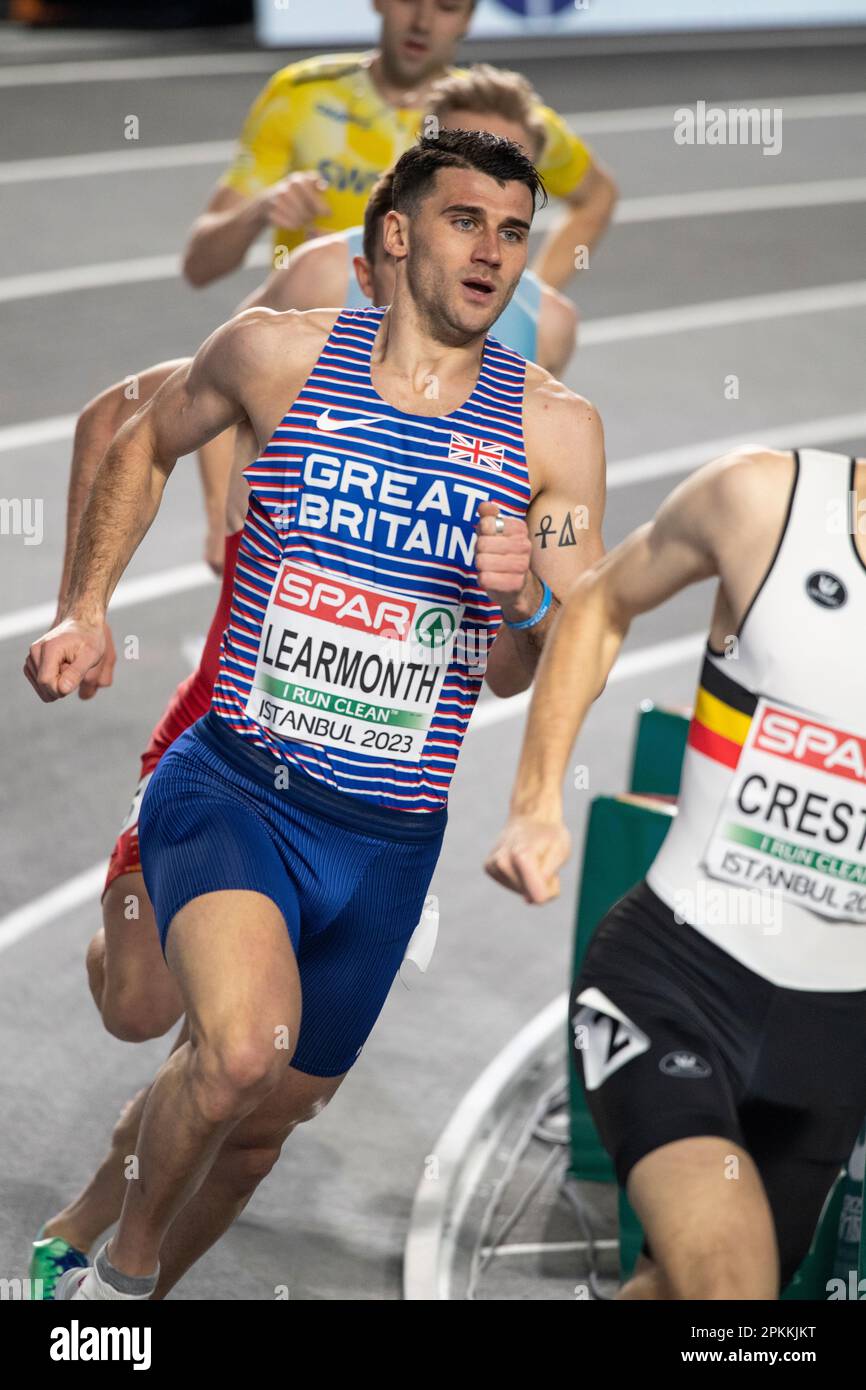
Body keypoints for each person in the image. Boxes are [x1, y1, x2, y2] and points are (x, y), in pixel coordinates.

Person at [25, 131, 606, 1300]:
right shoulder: (275, 356)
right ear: (395, 235)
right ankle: (113, 1286)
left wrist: (526, 596)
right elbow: (138, 440)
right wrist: (85, 605)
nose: (492, 250)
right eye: (463, 221)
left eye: (511, 229)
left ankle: (94, 1246)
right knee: (235, 1047)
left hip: (385, 843)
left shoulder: (557, 435)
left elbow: (528, 663)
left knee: (254, 1129)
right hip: (237, 783)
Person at [486, 444, 866, 1300]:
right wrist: (536, 801)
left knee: (683, 1289)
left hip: (835, 1045)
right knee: (731, 1292)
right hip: (678, 981)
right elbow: (595, 604)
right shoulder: (764, 501)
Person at [182, 0, 616, 291]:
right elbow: (199, 267)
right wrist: (259, 211)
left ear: (467, 19)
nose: (423, 22)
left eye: (446, 6)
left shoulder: (493, 119)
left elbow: (597, 197)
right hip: (310, 347)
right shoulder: (300, 95)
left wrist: (527, 300)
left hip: (431, 364)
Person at [254, 66, 579, 375]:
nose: (483, 177)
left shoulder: (548, 324)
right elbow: (230, 386)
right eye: (461, 152)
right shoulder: (324, 272)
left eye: (506, 161)